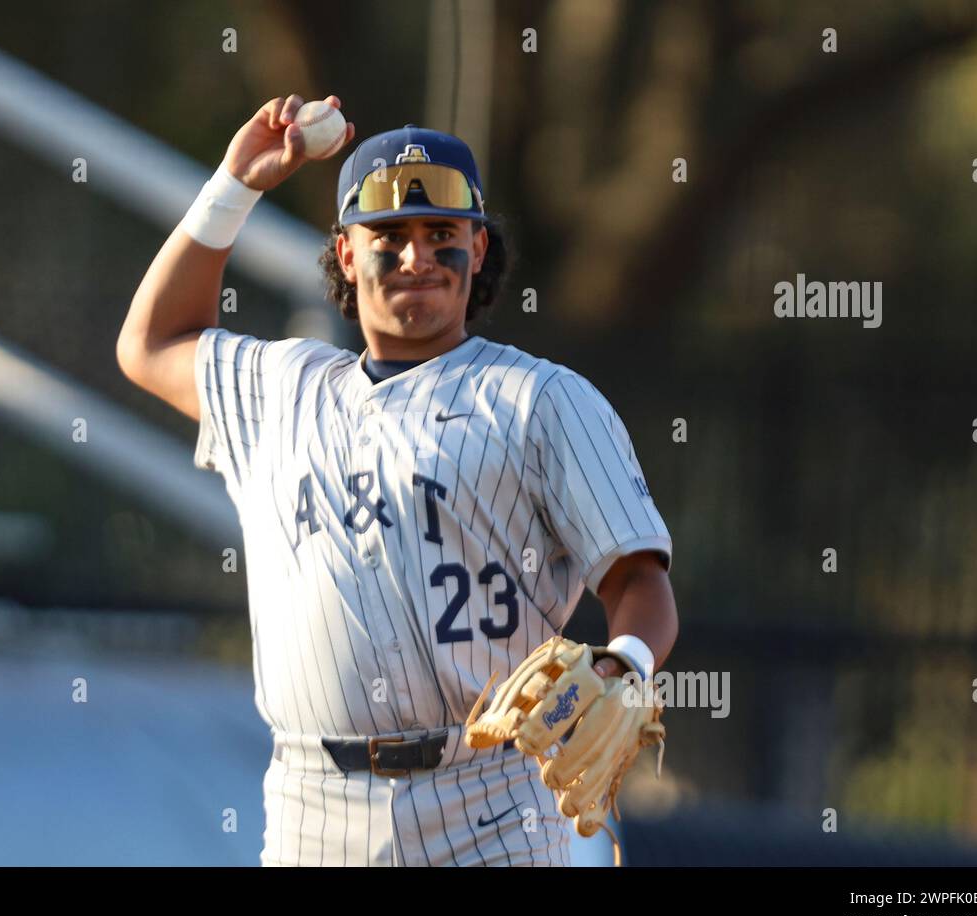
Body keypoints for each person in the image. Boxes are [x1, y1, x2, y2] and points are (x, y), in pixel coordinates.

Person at [117, 93, 679, 866]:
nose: (416, 257)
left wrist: (626, 664)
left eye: (441, 234)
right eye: (388, 236)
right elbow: (151, 342)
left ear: (478, 250)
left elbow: (640, 582)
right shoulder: (282, 388)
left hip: (487, 799)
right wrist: (235, 184)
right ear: (346, 254)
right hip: (311, 806)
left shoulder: (541, 400)